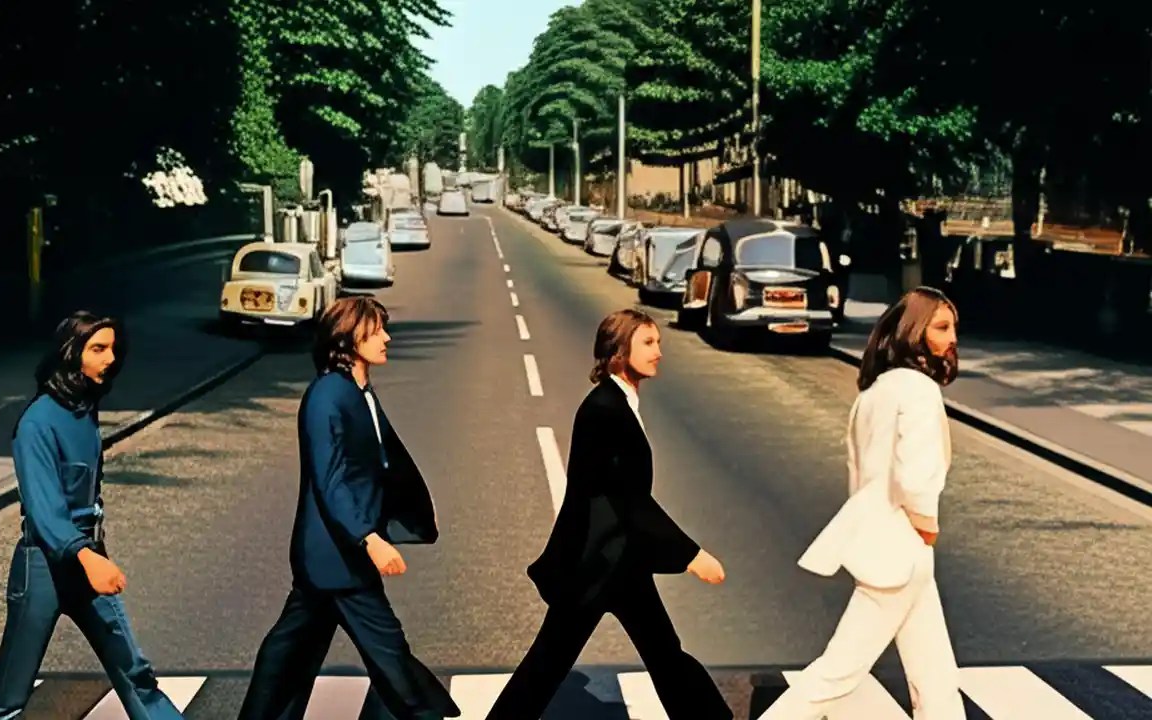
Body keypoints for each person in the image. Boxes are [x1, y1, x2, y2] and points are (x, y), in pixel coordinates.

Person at [485, 309, 732, 720]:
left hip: (620, 560)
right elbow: (626, 498)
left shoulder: (619, 402)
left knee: (665, 655)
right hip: (595, 564)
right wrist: (690, 555)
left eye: (658, 343)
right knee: (546, 665)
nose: (658, 353)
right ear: (619, 352)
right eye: (648, 344)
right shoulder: (603, 409)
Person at [239, 297, 459, 720]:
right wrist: (369, 537)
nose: (386, 338)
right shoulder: (328, 396)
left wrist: (409, 515)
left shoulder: (359, 393)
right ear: (348, 337)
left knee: (289, 659)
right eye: (376, 330)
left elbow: (379, 466)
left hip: (330, 558)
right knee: (391, 656)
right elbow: (332, 478)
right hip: (338, 556)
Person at [759, 287, 965, 720]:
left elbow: (859, 474)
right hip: (902, 547)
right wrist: (926, 525)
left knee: (936, 677)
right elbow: (915, 476)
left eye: (953, 328)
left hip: (886, 546)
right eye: (942, 328)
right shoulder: (920, 391)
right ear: (914, 332)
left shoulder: (873, 393)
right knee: (836, 674)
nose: (952, 339)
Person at [0, 311, 185, 719]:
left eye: (112, 348)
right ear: (71, 353)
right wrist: (88, 557)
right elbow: (45, 510)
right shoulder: (37, 423)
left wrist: (92, 552)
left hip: (87, 556)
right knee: (8, 698)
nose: (109, 359)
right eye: (97, 349)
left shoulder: (83, 410)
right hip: (44, 570)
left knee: (135, 674)